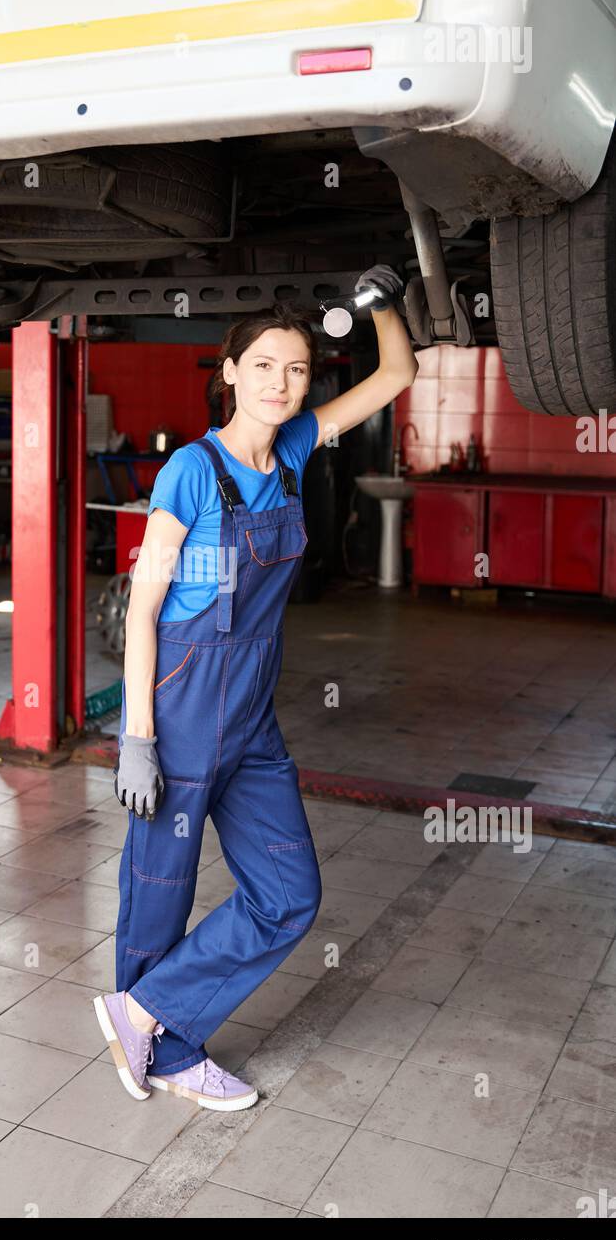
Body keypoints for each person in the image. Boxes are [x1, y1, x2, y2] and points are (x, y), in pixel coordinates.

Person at [92, 266, 418, 1111]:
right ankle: (164, 1048)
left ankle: (145, 1014)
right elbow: (145, 610)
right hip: (182, 703)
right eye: (265, 365)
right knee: (159, 888)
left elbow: (396, 376)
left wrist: (383, 309)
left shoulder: (300, 447)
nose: (282, 383)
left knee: (289, 894)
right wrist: (138, 735)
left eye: (299, 369)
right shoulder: (190, 476)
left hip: (251, 717)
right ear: (230, 371)